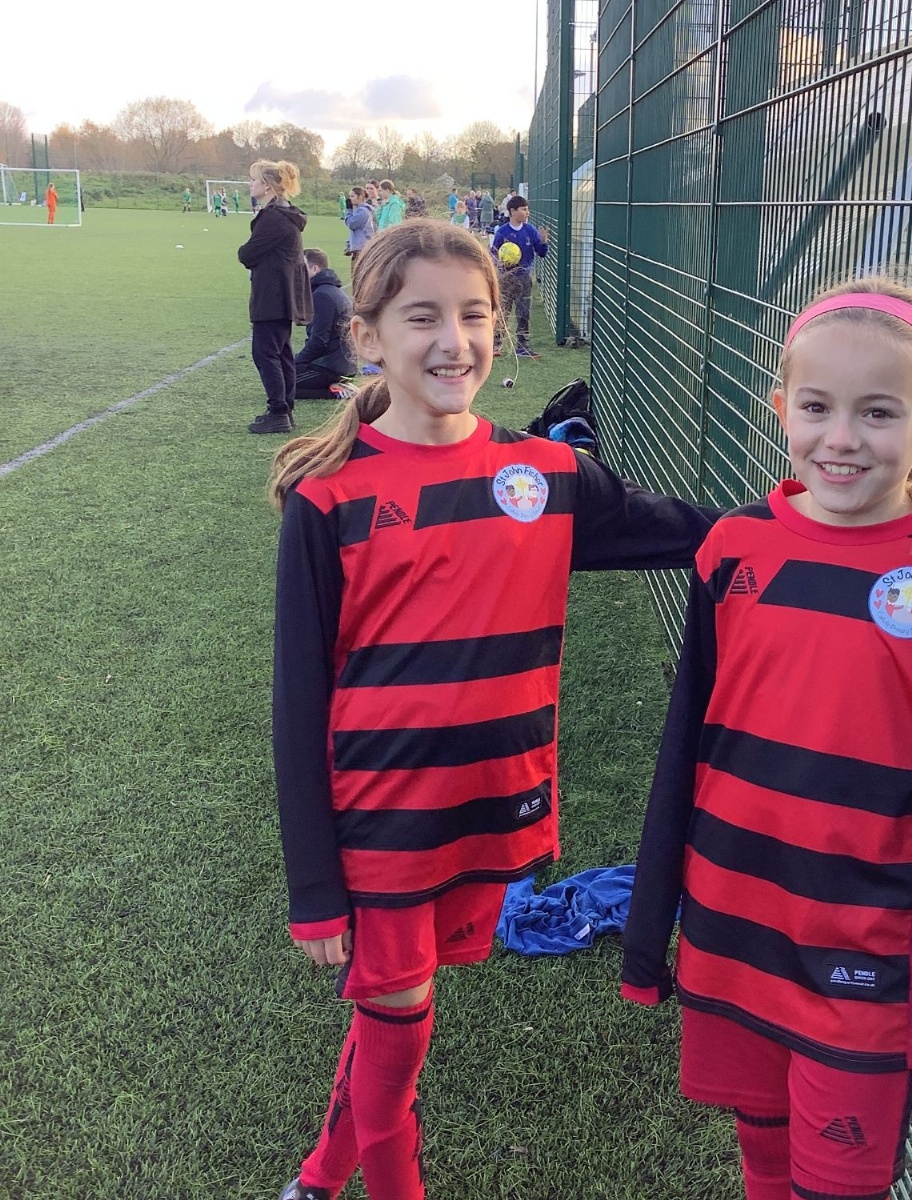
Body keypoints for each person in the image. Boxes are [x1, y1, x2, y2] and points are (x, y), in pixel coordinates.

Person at [267, 220, 720, 1200]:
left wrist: (798, 530)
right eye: (421, 316)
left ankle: (313, 1179)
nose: (452, 342)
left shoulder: (544, 477)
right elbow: (295, 710)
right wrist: (314, 888)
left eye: (473, 316)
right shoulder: (330, 497)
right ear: (370, 336)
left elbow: (674, 531)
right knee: (400, 1033)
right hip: (379, 823)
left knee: (393, 1018)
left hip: (487, 807)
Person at [620, 278, 912, 1200]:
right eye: (817, 407)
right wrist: (654, 933)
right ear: (781, 410)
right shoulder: (732, 550)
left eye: (878, 412)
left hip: (862, 957)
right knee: (762, 1151)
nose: (841, 438)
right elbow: (686, 747)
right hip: (734, 924)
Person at [237, 159, 313, 435]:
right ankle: (283, 409)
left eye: (254, 180)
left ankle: (279, 411)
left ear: (267, 186)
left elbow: (247, 254)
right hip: (283, 293)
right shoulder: (284, 214)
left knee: (266, 353)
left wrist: (246, 254)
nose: (250, 184)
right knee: (280, 353)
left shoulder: (273, 218)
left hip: (274, 294)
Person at [491, 195, 549, 359]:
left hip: (524, 277)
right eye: (524, 209)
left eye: (527, 209)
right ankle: (495, 345)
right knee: (503, 311)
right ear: (512, 211)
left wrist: (544, 242)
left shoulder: (530, 230)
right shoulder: (503, 232)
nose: (527, 212)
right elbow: (493, 254)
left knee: (524, 312)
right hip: (507, 278)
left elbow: (542, 253)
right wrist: (502, 263)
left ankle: (523, 347)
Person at [294, 248, 356, 399]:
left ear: (314, 268)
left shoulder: (322, 295)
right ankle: (338, 385)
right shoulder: (332, 290)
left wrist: (296, 362)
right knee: (283, 376)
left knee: (281, 385)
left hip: (330, 367)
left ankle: (335, 391)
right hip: (342, 364)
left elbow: (319, 341)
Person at [344, 186, 375, 270]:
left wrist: (348, 210)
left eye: (352, 196)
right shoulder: (360, 210)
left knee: (358, 275)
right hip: (359, 248)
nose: (350, 199)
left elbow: (351, 224)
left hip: (361, 249)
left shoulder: (363, 211)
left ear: (360, 197)